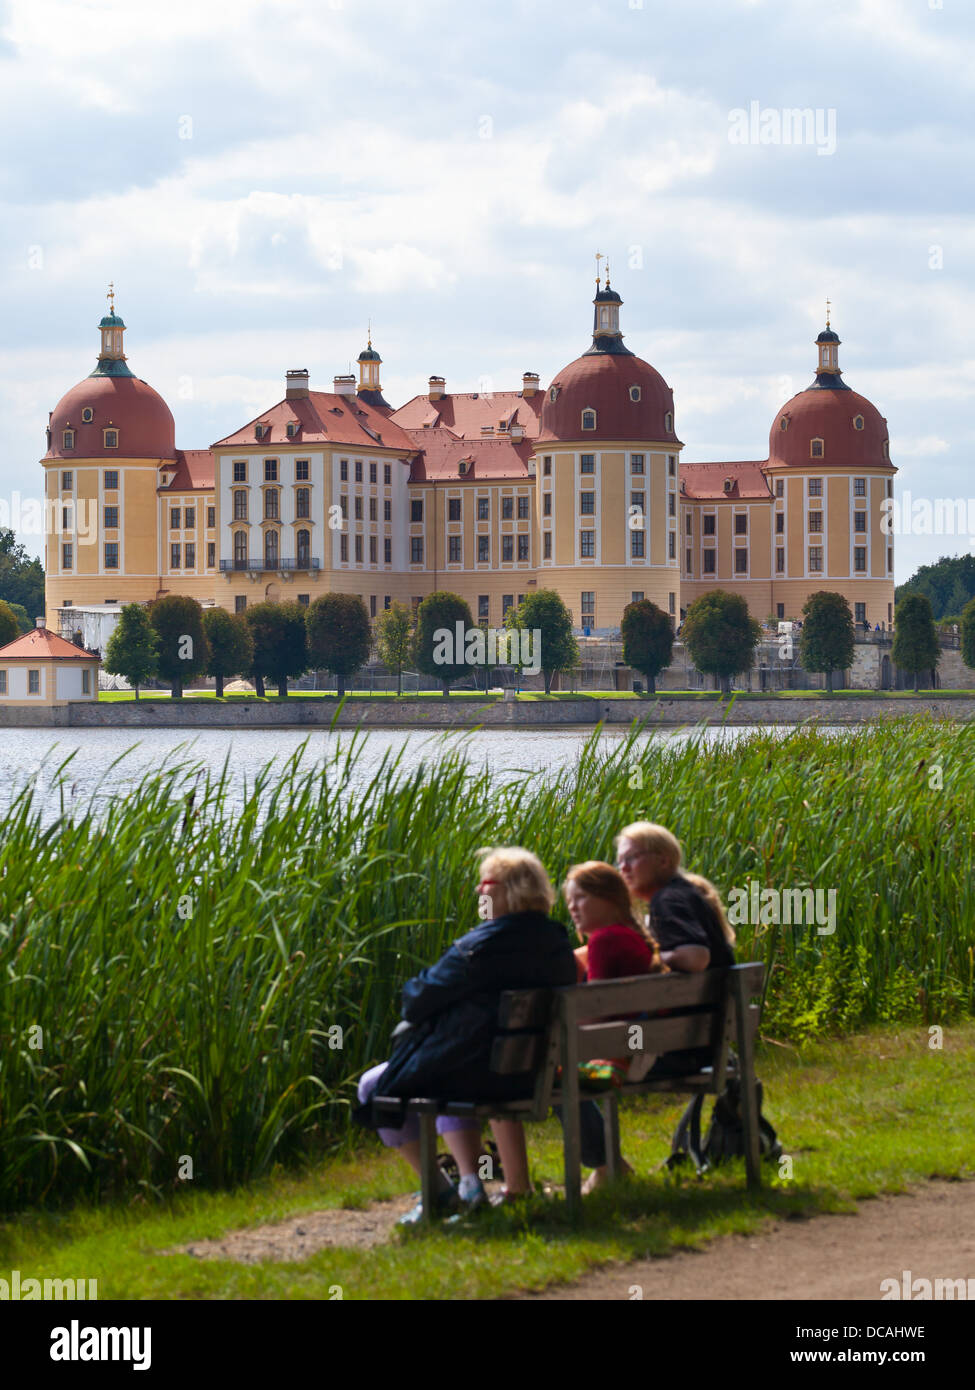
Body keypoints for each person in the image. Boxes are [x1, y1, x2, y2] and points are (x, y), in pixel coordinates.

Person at [355, 847, 576, 1222]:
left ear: (512, 890)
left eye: (486, 883)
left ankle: (443, 1189)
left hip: (481, 1077)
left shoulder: (480, 947)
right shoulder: (556, 942)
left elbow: (417, 999)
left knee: (374, 1086)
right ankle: (469, 1185)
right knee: (450, 1067)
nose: (478, 891)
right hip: (532, 1073)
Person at [561, 860, 666, 1193]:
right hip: (651, 1047)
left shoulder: (606, 940)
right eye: (569, 902)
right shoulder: (630, 934)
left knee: (555, 1075)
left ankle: (608, 1166)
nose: (573, 909)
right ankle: (609, 1165)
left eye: (581, 898)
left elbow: (595, 1017)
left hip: (632, 1057)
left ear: (608, 898)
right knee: (558, 1071)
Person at [615, 822, 735, 1075]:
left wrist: (648, 957)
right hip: (707, 1039)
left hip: (682, 1049)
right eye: (620, 861)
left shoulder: (668, 899)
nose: (623, 868)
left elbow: (695, 957)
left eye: (631, 858)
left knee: (587, 1056)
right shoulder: (687, 894)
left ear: (663, 861)